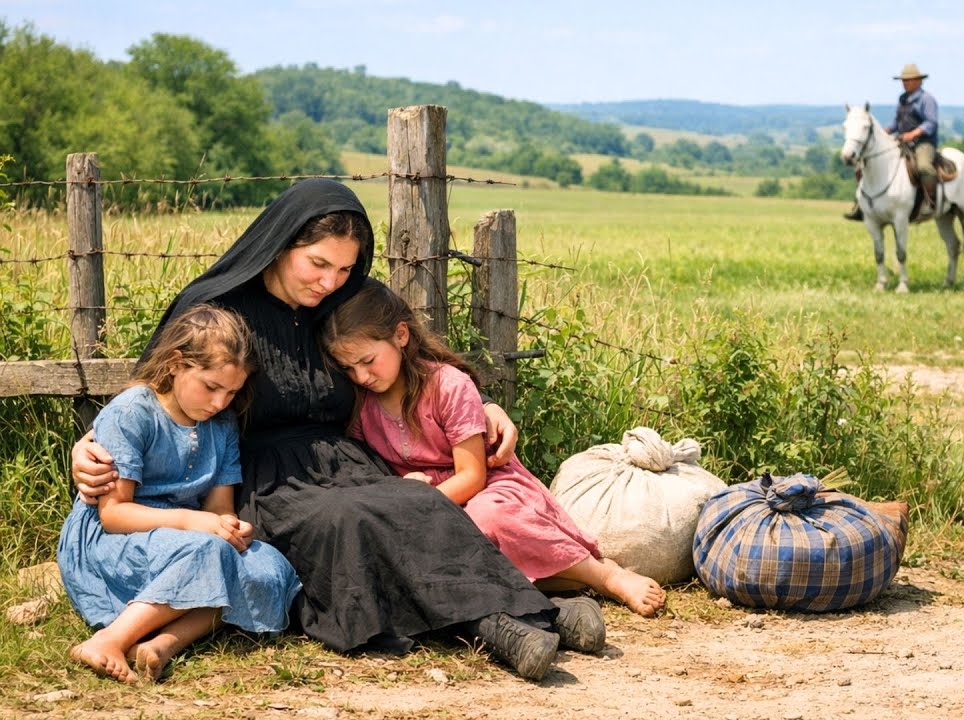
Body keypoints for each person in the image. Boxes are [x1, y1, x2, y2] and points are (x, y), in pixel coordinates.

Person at [71, 179, 595, 681]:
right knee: (348, 519)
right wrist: (87, 446)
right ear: (280, 245)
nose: (329, 281)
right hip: (264, 480)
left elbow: (416, 360)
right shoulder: (220, 309)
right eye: (318, 263)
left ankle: (530, 606)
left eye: (345, 268)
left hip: (348, 460)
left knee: (419, 503)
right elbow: (157, 394)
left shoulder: (346, 301)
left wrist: (484, 404)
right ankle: (496, 624)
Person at [320, 282, 666, 625]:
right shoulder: (361, 403)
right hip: (422, 498)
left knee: (487, 523)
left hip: (485, 490)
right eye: (348, 368)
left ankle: (604, 576)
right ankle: (547, 585)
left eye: (368, 361)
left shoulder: (447, 386)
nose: (361, 376)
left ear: (401, 335)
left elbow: (472, 476)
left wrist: (422, 501)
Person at [57, 304, 301, 684]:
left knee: (269, 567)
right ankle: (109, 639)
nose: (221, 402)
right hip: (116, 538)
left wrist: (227, 525)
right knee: (209, 552)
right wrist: (194, 522)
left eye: (232, 392)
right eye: (211, 387)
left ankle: (162, 644)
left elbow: (218, 505)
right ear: (175, 363)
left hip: (181, 539)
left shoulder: (221, 424)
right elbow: (114, 514)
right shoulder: (133, 413)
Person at [884, 62, 940, 212]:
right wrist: (886, 131)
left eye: (909, 80)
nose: (905, 83)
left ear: (919, 81)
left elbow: (931, 122)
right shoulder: (902, 98)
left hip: (923, 143)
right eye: (904, 81)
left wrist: (913, 134)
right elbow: (897, 121)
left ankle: (931, 202)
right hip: (903, 141)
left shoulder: (926, 99)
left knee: (924, 167)